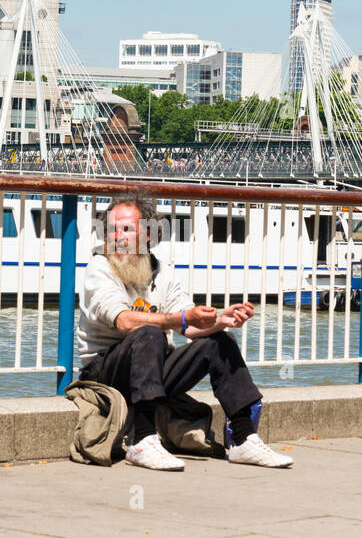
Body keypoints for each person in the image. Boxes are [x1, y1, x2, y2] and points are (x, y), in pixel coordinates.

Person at [76, 194, 292, 471]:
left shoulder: (161, 272)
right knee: (149, 332)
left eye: (128, 229)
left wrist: (221, 319)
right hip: (105, 372)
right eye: (112, 229)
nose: (118, 236)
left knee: (218, 342)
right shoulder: (100, 267)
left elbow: (188, 326)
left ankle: (242, 438)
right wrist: (179, 317)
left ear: (149, 235)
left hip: (150, 370)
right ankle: (142, 440)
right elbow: (125, 323)